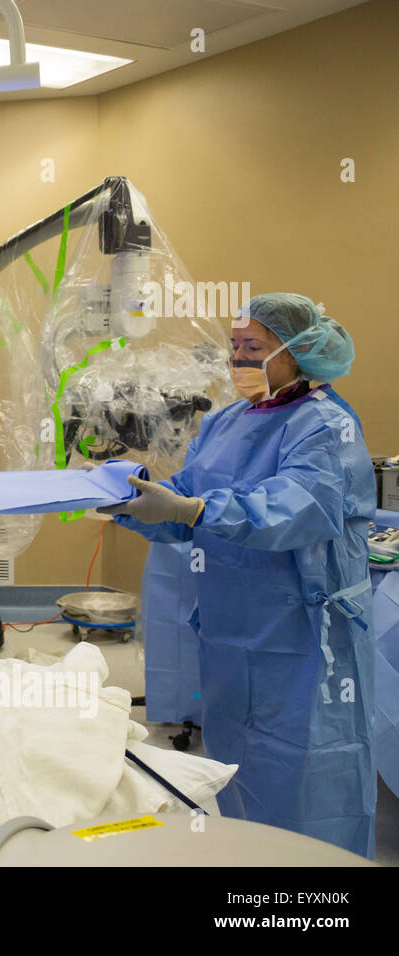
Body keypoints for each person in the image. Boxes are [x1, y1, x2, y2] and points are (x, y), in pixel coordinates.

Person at [100, 293, 376, 857]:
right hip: (233, 632)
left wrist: (193, 510)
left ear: (298, 355)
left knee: (307, 773)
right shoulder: (229, 420)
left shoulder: (323, 425)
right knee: (237, 762)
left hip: (303, 634)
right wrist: (133, 498)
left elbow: (298, 507)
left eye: (254, 348)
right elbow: (186, 501)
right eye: (234, 348)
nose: (238, 361)